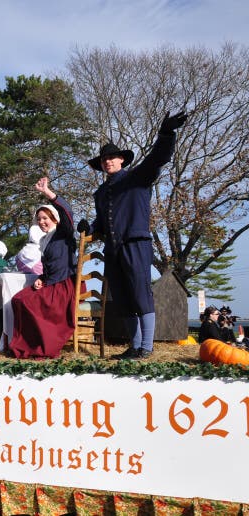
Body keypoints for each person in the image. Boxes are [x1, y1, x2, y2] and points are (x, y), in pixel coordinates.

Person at [86, 111, 187, 360]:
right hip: (113, 250)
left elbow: (157, 158)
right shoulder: (100, 193)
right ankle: (135, 345)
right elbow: (100, 223)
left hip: (136, 244)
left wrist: (166, 134)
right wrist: (87, 229)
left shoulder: (136, 178)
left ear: (122, 160)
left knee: (140, 293)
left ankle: (147, 347)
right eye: (104, 159)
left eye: (112, 157)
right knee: (122, 298)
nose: (108, 161)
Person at [8, 177, 77, 359]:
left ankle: (44, 345)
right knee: (19, 299)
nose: (42, 222)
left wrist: (48, 193)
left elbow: (67, 211)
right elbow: (49, 268)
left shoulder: (63, 233)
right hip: (51, 282)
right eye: (39, 219)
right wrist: (41, 278)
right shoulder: (44, 240)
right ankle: (29, 344)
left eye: (45, 218)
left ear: (54, 218)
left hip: (64, 284)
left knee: (29, 303)